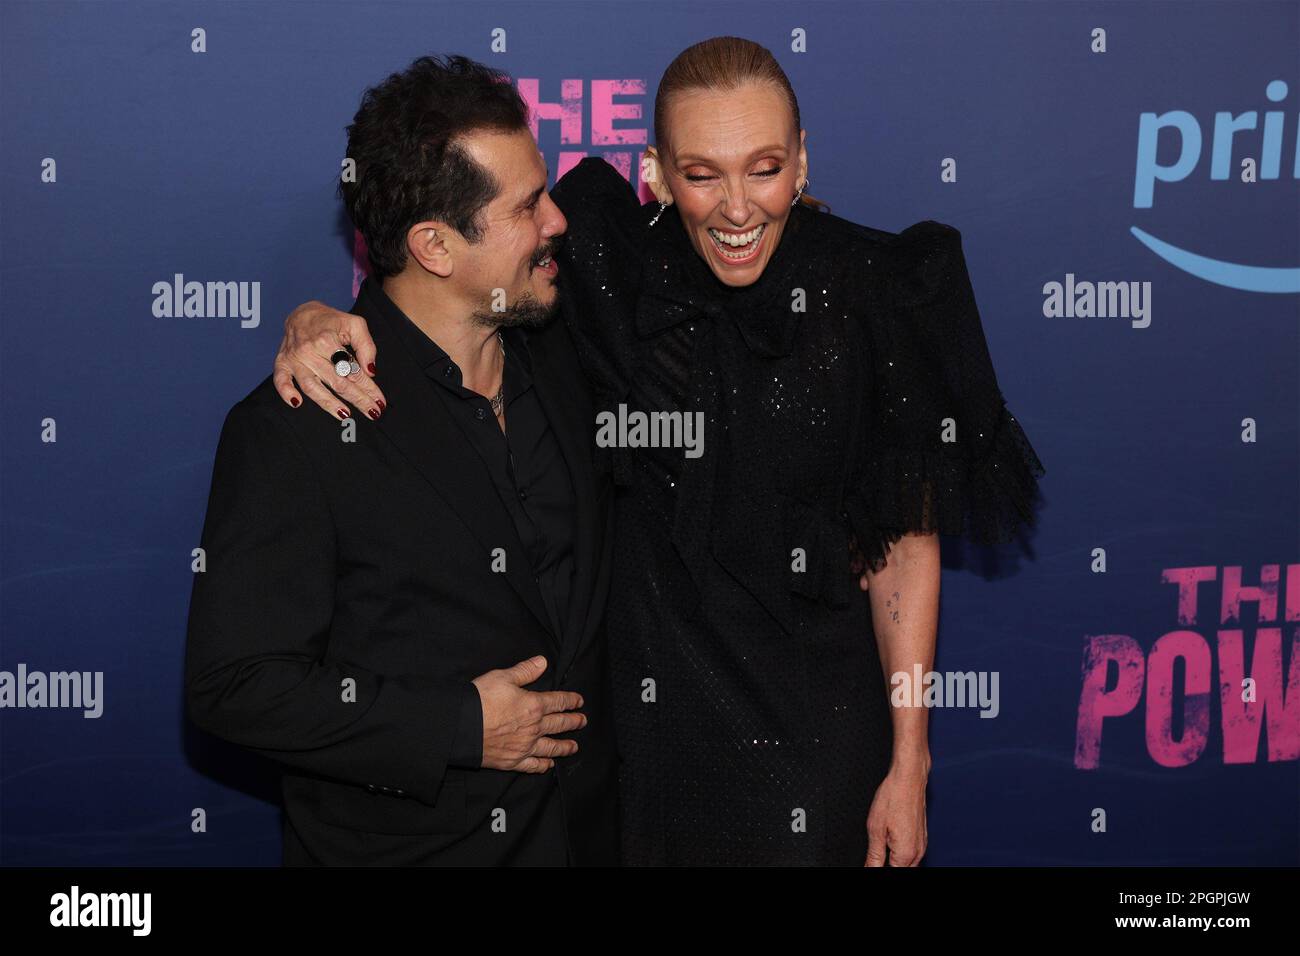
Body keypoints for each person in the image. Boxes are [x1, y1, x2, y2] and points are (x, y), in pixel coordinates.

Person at [270, 37, 1046, 866]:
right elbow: (448, 282)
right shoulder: (602, 266)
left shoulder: (876, 290)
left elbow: (902, 550)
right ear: (655, 170)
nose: (738, 208)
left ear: (803, 160)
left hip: (814, 740)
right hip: (641, 749)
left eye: (766, 167)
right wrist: (315, 318)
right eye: (703, 172)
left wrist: (909, 760)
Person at [185, 55, 618, 866]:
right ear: (434, 246)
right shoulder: (299, 427)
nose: (556, 220)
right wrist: (456, 726)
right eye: (527, 206)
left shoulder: (560, 341)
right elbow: (233, 686)